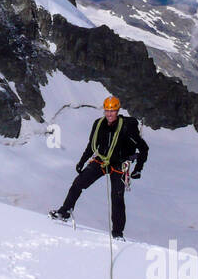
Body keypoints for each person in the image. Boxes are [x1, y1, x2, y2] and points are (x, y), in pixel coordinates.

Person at [50, 96, 148, 239]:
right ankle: (64, 211)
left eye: (112, 111)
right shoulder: (99, 124)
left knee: (117, 198)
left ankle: (117, 233)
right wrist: (82, 161)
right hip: (101, 160)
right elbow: (92, 145)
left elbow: (144, 148)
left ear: (117, 110)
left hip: (119, 165)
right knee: (78, 183)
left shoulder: (127, 128)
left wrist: (138, 169)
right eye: (107, 110)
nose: (109, 114)